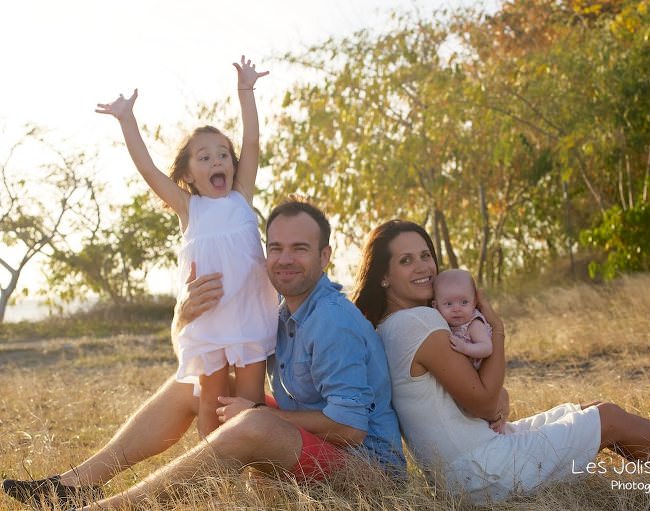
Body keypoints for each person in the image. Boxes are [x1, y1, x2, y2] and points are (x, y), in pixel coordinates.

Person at [2, 201, 405, 510]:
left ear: (324, 257)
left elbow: (350, 429)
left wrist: (264, 417)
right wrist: (183, 318)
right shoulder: (280, 312)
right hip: (315, 449)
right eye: (276, 247)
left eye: (300, 248)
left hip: (368, 474)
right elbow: (199, 361)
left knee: (254, 426)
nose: (285, 258)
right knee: (193, 385)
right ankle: (75, 484)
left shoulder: (332, 320)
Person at [350, 219, 650, 504]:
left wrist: (499, 399)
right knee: (607, 418)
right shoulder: (419, 322)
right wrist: (497, 330)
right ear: (384, 276)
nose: (424, 267)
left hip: (464, 470)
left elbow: (479, 400)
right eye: (406, 260)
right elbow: (479, 403)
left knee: (586, 413)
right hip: (480, 472)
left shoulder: (390, 326)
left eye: (426, 255)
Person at [94, 56, 278, 437]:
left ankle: (255, 471)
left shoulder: (241, 195)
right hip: (208, 315)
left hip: (248, 314)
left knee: (249, 400)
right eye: (205, 157)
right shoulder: (188, 208)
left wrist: (246, 91)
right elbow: (147, 169)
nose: (217, 161)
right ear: (188, 173)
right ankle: (211, 468)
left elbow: (253, 140)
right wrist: (127, 120)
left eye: (223, 155)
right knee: (209, 400)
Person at [432, 269, 493, 371]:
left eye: (464, 302)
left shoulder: (474, 324)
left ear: (474, 303)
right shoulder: (441, 323)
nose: (457, 309)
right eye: (449, 304)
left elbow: (487, 348)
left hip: (483, 373)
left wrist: (465, 348)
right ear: (436, 306)